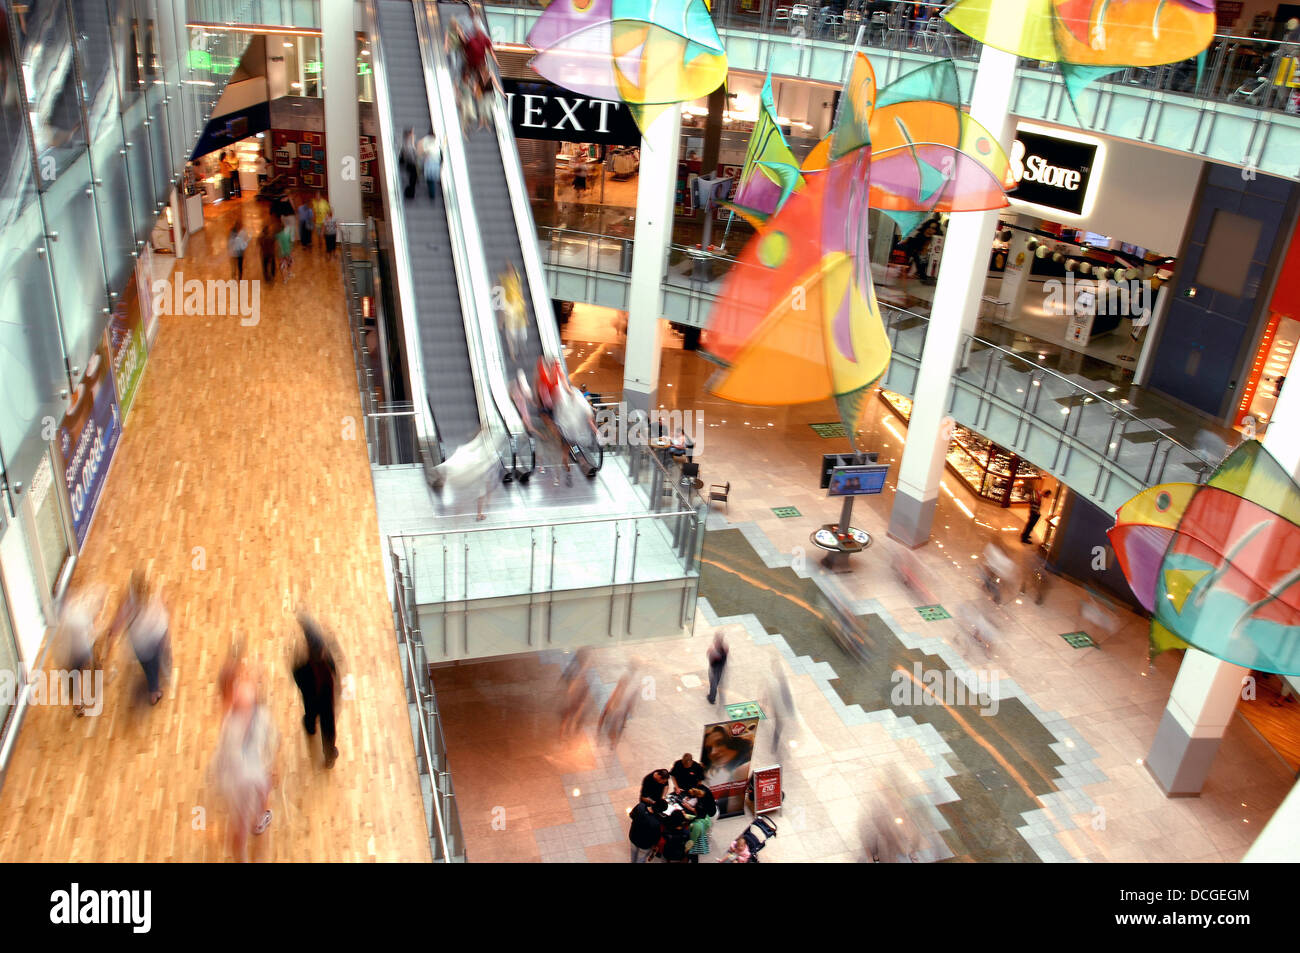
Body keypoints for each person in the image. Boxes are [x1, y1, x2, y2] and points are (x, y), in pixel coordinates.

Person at [211, 677, 278, 862]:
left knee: (261, 795)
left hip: (245, 777)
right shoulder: (257, 719)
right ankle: (243, 854)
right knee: (241, 823)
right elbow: (271, 742)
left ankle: (258, 823)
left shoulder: (231, 722)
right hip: (242, 781)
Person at [292, 611, 341, 768]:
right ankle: (329, 756)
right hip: (325, 696)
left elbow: (297, 676)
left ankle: (310, 726)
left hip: (313, 695)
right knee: (328, 726)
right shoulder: (327, 661)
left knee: (311, 713)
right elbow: (335, 675)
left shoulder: (305, 667)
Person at [114, 571, 170, 705]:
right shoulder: (153, 599)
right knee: (155, 665)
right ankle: (154, 691)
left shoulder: (128, 603)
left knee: (147, 666)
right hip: (154, 639)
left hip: (139, 643)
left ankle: (153, 687)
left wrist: (112, 635)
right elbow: (162, 618)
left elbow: (118, 622)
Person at [56, 587, 105, 717]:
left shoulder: (63, 619)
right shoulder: (79, 615)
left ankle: (78, 706)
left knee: (75, 679)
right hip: (83, 650)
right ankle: (96, 676)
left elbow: (62, 642)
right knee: (91, 664)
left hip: (72, 655)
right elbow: (91, 629)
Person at [432, 429, 501, 520]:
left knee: (479, 491)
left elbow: (475, 446)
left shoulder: (477, 445)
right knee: (480, 491)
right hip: (478, 470)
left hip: (475, 470)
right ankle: (478, 514)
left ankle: (477, 514)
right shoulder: (483, 446)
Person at [705, 631, 728, 705]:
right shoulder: (725, 647)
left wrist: (710, 653)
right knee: (716, 680)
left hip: (715, 668)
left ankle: (711, 698)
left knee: (713, 682)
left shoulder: (716, 650)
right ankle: (713, 695)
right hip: (720, 667)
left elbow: (711, 657)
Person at [419, 130, 442, 203]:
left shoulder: (427, 141)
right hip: (436, 162)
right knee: (432, 178)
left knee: (429, 179)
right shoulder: (436, 142)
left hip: (430, 162)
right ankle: (432, 192)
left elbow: (425, 152)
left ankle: (432, 194)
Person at [400, 128, 419, 199]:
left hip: (411, 164)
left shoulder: (408, 144)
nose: (413, 135)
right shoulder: (407, 145)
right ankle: (410, 193)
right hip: (411, 164)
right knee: (412, 179)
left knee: (412, 180)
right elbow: (409, 155)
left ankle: (411, 193)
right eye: (411, 134)